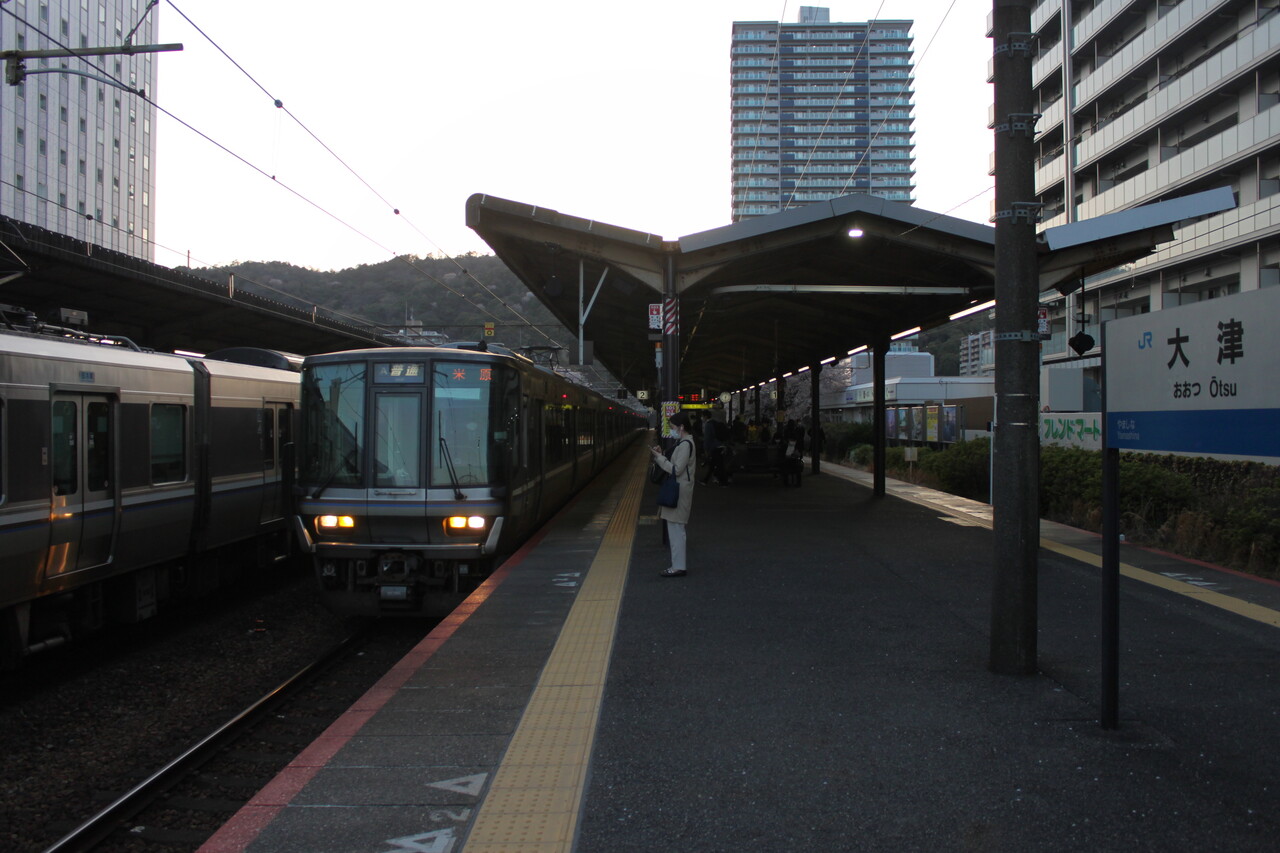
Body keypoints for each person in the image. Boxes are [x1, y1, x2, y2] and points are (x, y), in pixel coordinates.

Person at [650, 411, 696, 577]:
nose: (672, 430)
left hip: (679, 491)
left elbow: (676, 469)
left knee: (676, 529)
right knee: (675, 528)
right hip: (680, 489)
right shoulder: (683, 442)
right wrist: (662, 455)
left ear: (682, 427)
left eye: (673, 427)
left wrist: (659, 459)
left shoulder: (685, 444)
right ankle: (677, 565)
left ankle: (678, 567)